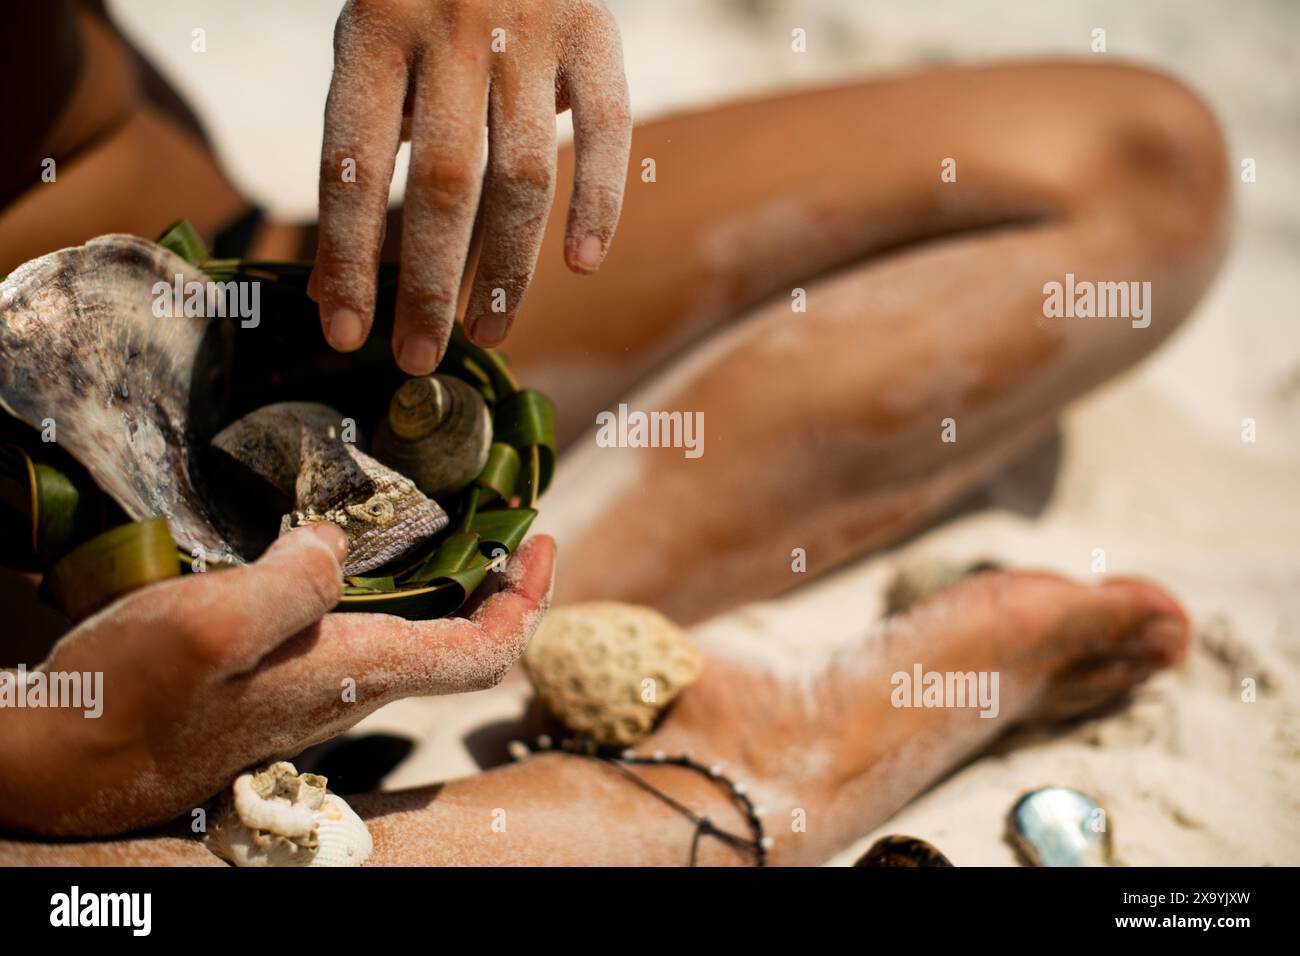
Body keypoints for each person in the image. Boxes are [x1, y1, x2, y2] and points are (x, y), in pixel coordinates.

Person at [0, 1, 1227, 863]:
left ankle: (511, 627)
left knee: (1138, 166)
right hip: (56, 636)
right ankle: (696, 796)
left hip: (256, 301)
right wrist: (59, 759)